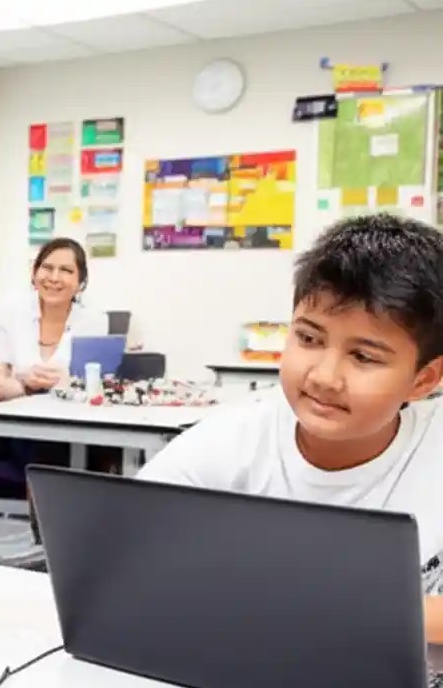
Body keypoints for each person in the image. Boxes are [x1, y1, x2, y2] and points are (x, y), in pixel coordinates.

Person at [138, 214, 443, 645]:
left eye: (364, 357)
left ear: (423, 380)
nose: (323, 376)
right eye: (309, 339)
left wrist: (339, 609)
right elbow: (127, 549)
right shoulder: (234, 438)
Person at [0, 237, 108, 400]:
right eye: (47, 268)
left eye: (66, 270)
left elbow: (96, 388)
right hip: (16, 416)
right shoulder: (10, 313)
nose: (54, 278)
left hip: (71, 419)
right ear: (34, 273)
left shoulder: (94, 321)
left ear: (81, 282)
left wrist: (66, 383)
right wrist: (25, 383)